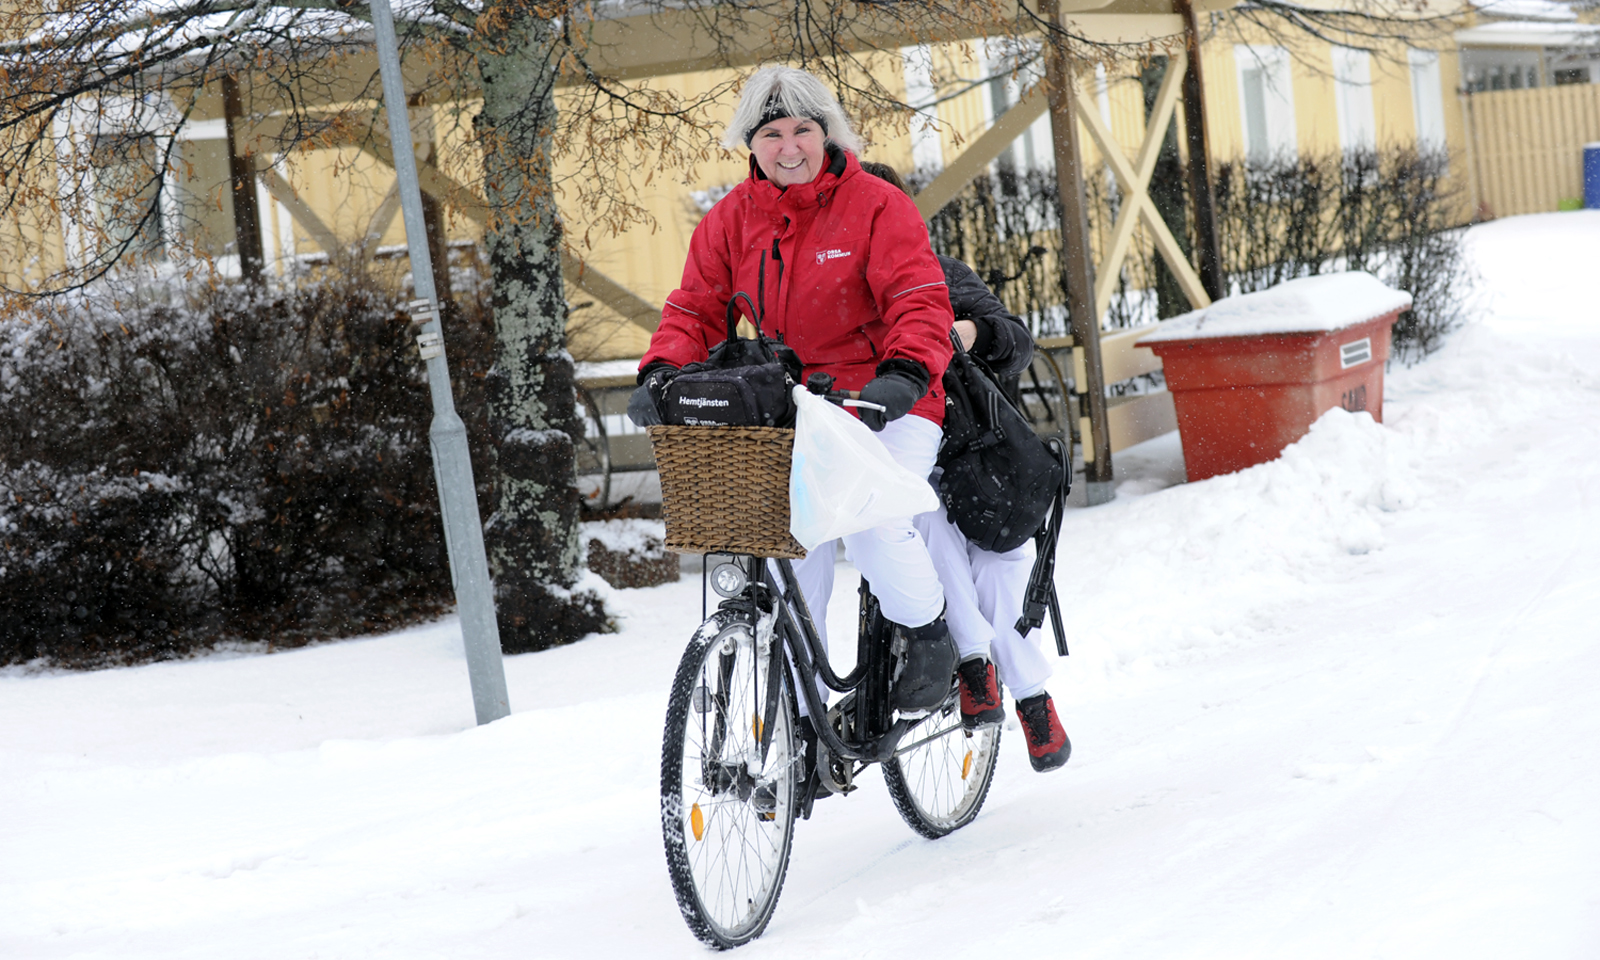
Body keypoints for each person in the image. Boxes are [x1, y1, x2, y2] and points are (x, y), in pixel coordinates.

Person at [628, 67, 960, 726]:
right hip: (789, 405)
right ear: (750, 144)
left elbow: (917, 298)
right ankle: (801, 719)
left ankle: (929, 637)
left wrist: (904, 372)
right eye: (771, 134)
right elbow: (696, 307)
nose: (788, 148)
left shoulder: (876, 205)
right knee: (785, 548)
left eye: (802, 130)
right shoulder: (730, 219)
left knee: (869, 517)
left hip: (883, 399)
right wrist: (661, 370)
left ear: (826, 133)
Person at [858, 161, 1071, 774]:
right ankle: (978, 665)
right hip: (907, 464)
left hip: (977, 454)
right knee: (925, 528)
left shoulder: (940, 274)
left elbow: (1017, 342)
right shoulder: (836, 293)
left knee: (1002, 559)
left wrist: (972, 331)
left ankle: (1030, 695)